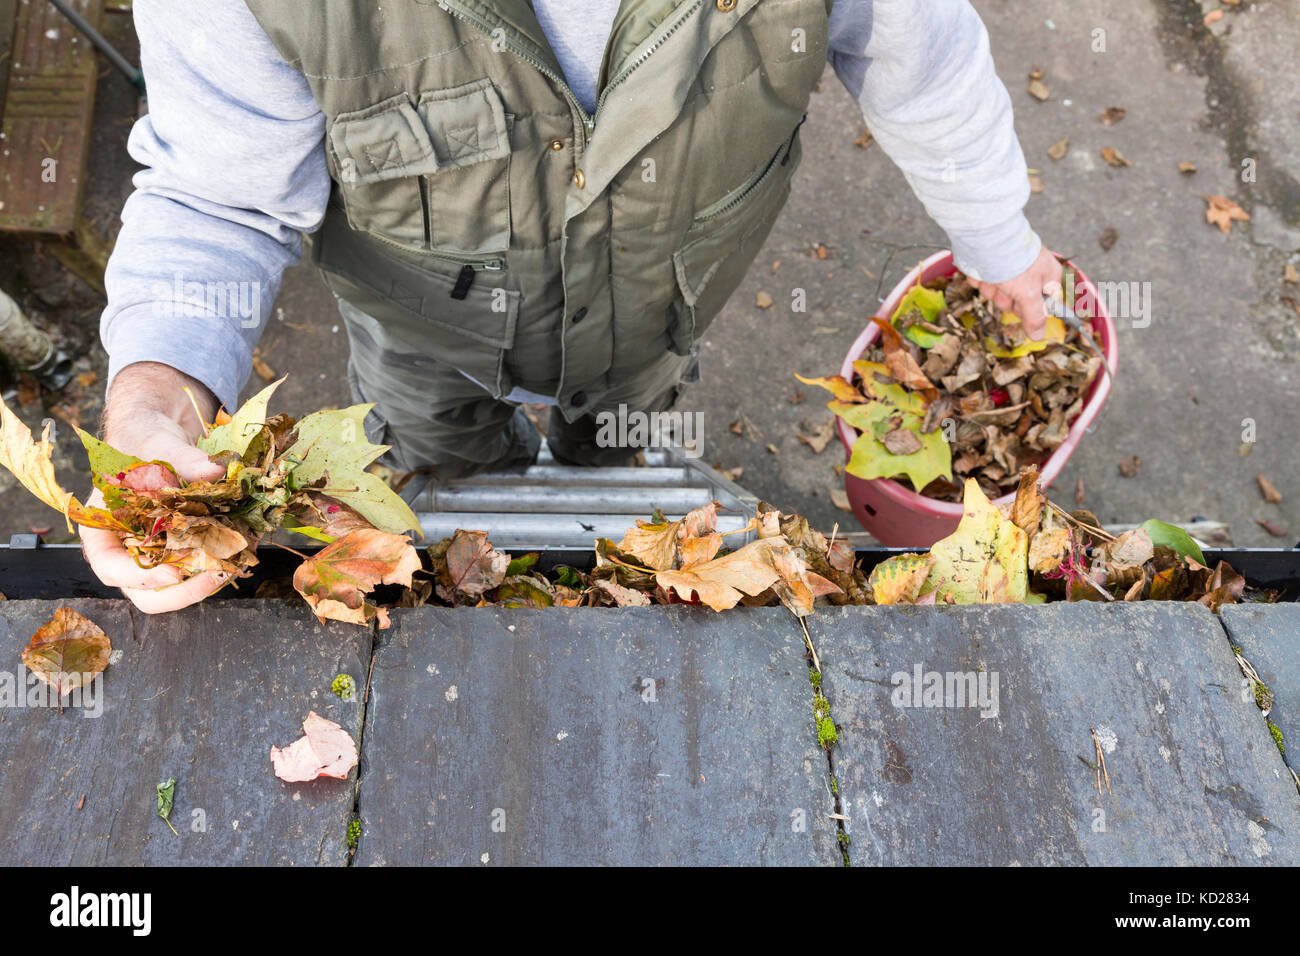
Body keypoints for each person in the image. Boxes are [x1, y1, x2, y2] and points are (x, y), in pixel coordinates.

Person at [85, 0, 1060, 611]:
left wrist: (998, 241)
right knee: (435, 455)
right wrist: (158, 395)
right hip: (424, 346)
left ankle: (606, 456)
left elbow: (924, 63)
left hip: (658, 332)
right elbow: (216, 194)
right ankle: (464, 465)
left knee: (621, 439)